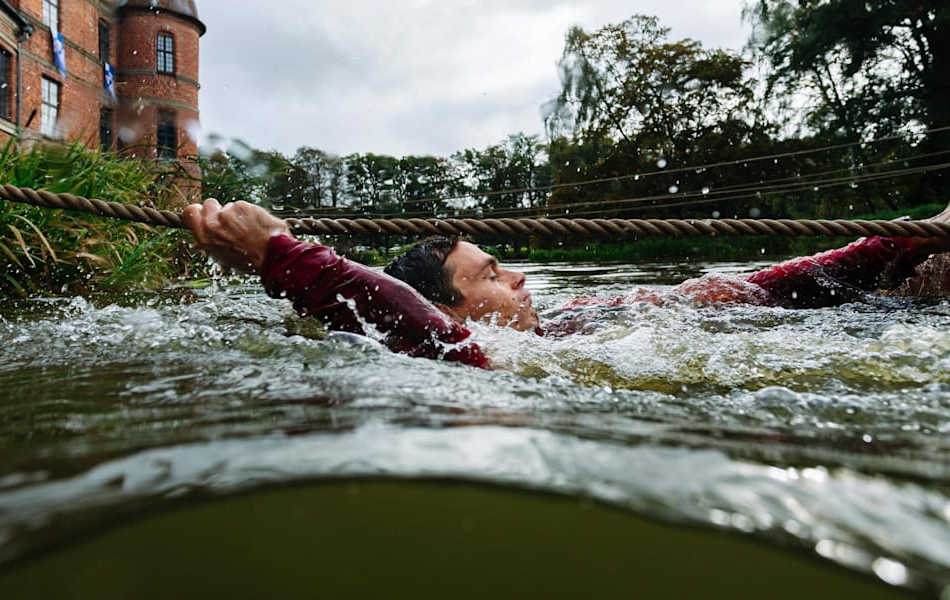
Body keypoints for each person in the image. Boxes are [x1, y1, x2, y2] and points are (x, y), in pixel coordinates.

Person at [182, 198, 950, 369]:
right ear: (453, 306)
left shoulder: (581, 320)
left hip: (870, 314)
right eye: (490, 274)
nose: (520, 276)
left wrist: (903, 240)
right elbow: (421, 331)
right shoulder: (465, 357)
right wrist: (283, 256)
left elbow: (753, 290)